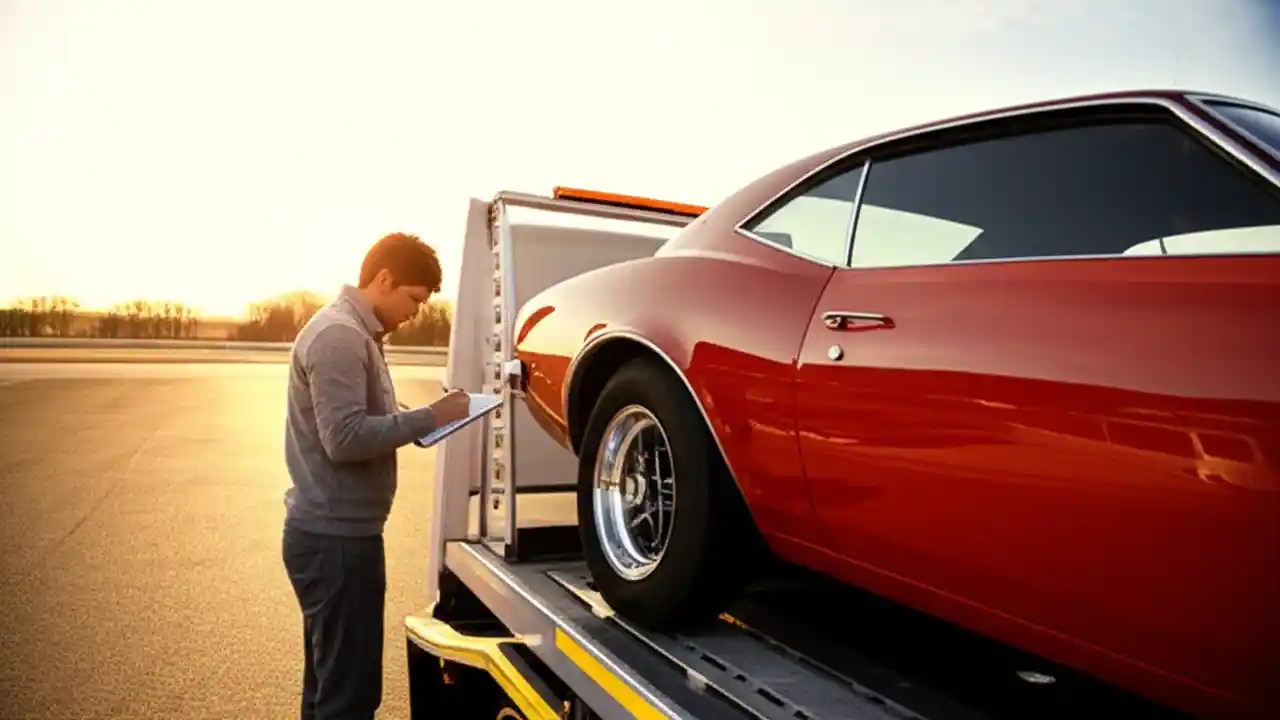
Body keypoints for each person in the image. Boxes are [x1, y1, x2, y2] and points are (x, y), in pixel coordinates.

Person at [280, 232, 470, 719]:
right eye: (413, 299)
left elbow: (360, 416)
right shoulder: (340, 336)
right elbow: (343, 439)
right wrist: (432, 417)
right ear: (383, 279)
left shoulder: (355, 332)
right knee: (349, 697)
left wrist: (411, 416)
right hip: (336, 542)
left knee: (328, 686)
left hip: (335, 535)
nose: (416, 312)